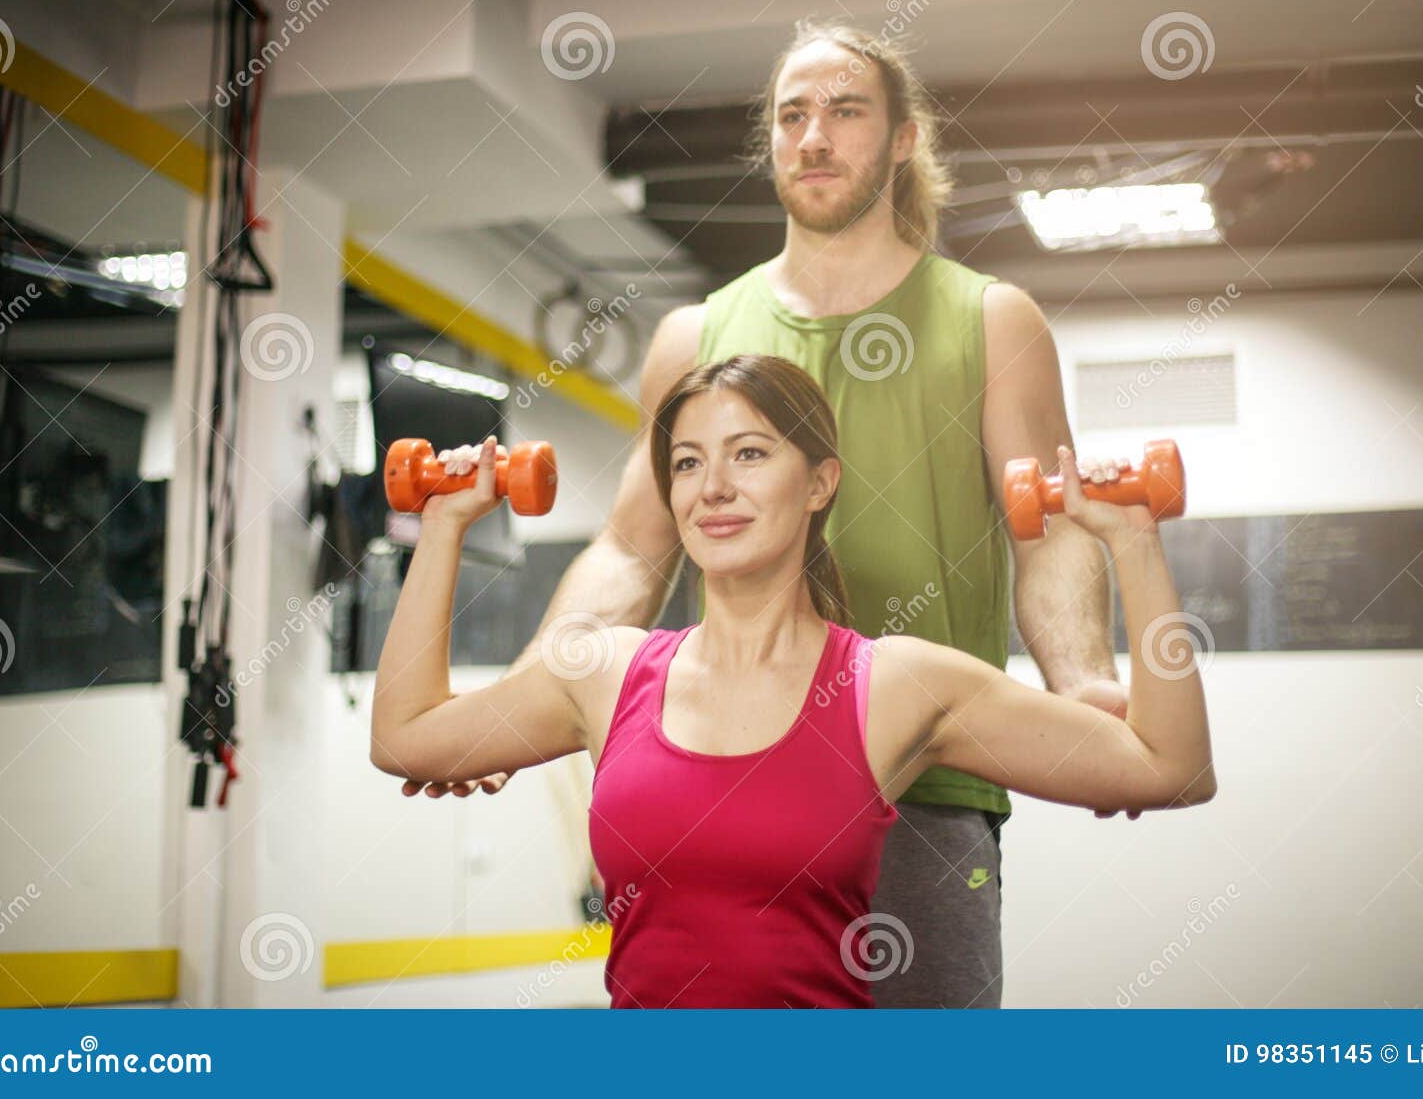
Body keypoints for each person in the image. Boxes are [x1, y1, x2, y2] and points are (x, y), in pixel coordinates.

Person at [401, 20, 1131, 1008]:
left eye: (845, 111)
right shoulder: (694, 334)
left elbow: (1047, 530)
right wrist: (521, 704)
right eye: (791, 115)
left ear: (903, 139)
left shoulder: (988, 318)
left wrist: (1083, 682)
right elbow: (627, 549)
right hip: (719, 789)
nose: (814, 136)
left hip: (925, 789)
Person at [371, 355, 1215, 1008]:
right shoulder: (604, 670)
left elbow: (1166, 767)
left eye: (749, 453)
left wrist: (1133, 542)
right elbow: (406, 735)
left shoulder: (894, 684)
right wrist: (441, 526)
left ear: (819, 481)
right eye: (690, 462)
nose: (715, 488)